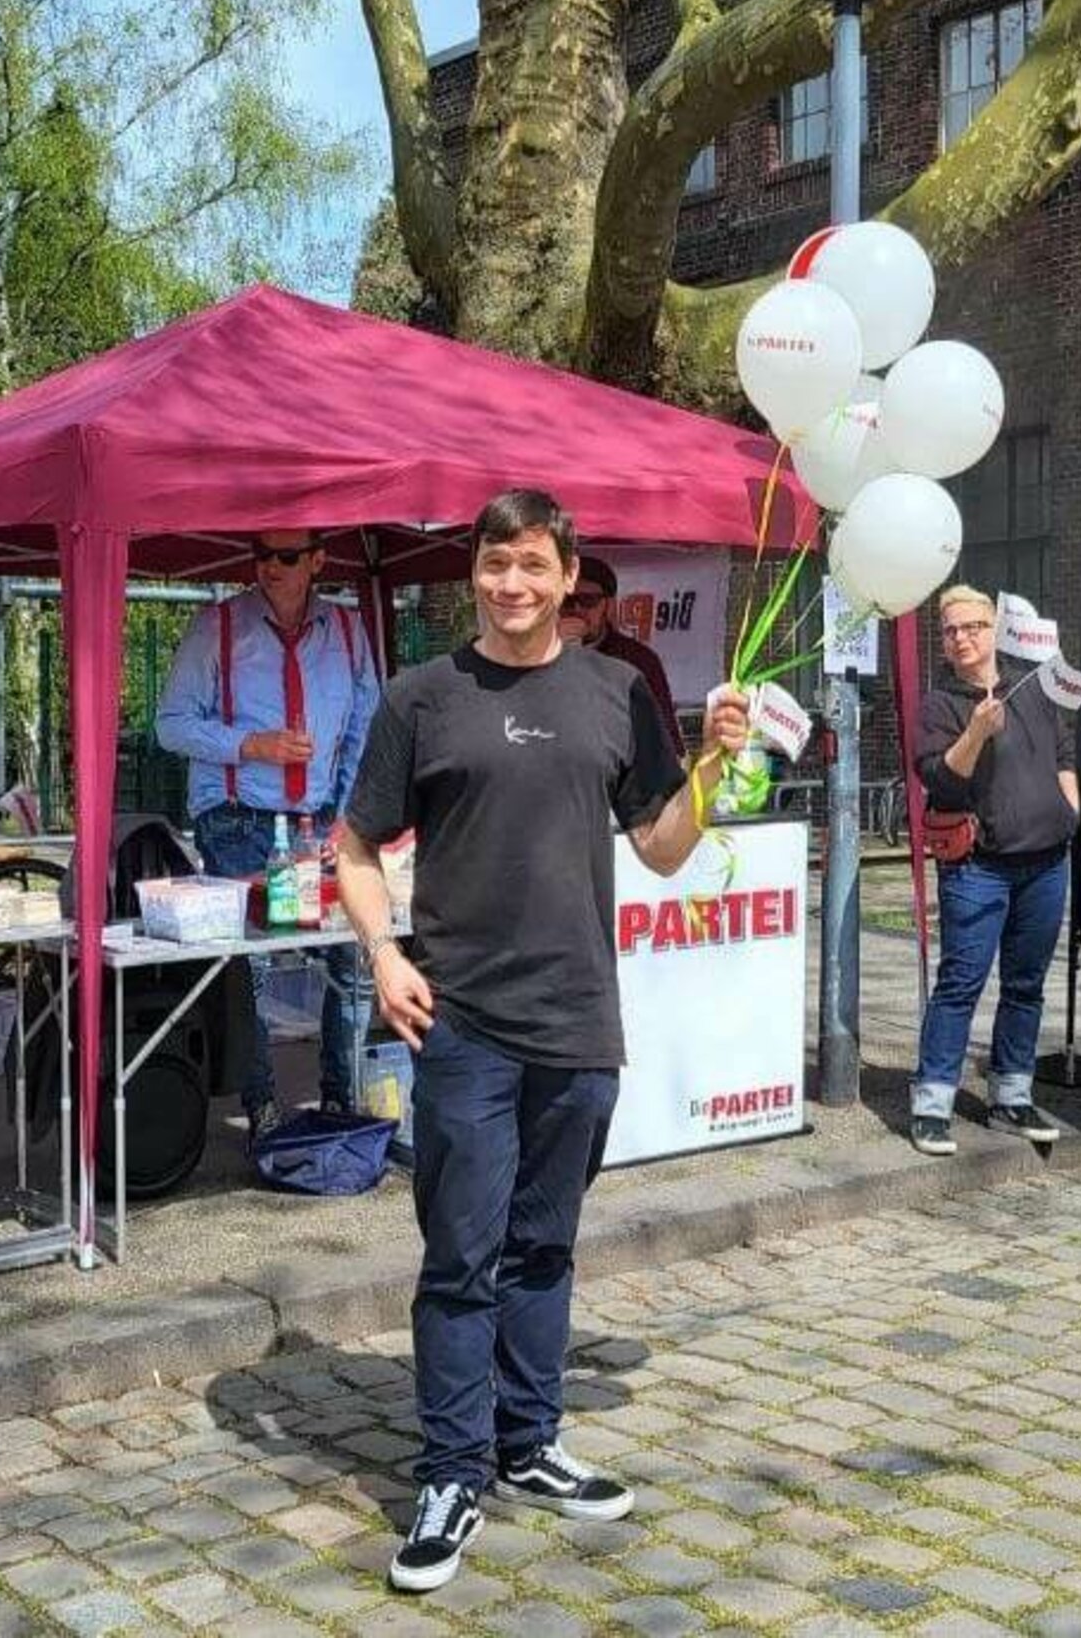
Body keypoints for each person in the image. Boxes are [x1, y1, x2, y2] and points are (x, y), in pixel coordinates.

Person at [333, 488, 748, 1596]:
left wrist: (706, 761)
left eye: (530, 565)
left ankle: (528, 1441)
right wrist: (383, 953)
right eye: (492, 564)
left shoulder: (615, 691)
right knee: (459, 1255)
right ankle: (450, 1471)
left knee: (545, 1245)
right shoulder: (421, 697)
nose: (509, 584)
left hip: (577, 1018)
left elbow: (660, 849)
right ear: (472, 574)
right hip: (462, 1020)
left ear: (569, 579)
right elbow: (353, 844)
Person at [156, 528, 382, 1140]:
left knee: (354, 956)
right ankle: (264, 1111)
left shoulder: (345, 631)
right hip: (238, 820)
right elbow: (169, 725)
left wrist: (349, 810)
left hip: (319, 823)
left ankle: (344, 1101)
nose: (270, 568)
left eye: (285, 557)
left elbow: (367, 722)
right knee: (250, 969)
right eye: (260, 555)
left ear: (317, 561)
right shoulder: (218, 627)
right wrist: (248, 745)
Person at [909, 585, 1078, 1156]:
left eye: (973, 626)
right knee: (961, 983)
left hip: (1046, 863)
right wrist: (978, 730)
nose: (962, 638)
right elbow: (940, 778)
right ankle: (933, 1100)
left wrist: (1069, 811)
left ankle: (1011, 1093)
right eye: (952, 630)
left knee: (1026, 985)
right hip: (979, 868)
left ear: (995, 628)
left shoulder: (1033, 685)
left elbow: (1062, 754)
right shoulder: (941, 703)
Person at [558, 554, 685, 758]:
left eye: (589, 601)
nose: (577, 610)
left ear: (608, 605)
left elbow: (665, 740)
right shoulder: (534, 656)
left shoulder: (638, 660)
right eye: (567, 601)